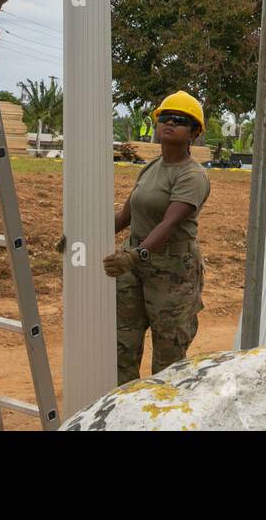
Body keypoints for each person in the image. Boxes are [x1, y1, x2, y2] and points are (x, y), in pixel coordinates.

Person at [105, 91, 210, 385]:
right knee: (122, 346)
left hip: (171, 272)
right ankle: (125, 405)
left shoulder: (192, 175)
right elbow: (126, 216)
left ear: (194, 133)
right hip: (133, 266)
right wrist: (83, 235)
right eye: (165, 117)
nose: (170, 123)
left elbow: (170, 224)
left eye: (180, 120)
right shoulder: (151, 167)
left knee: (168, 357)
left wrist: (135, 255)